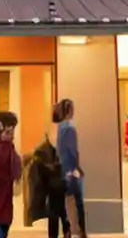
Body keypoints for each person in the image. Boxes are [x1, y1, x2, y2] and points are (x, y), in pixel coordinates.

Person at [24, 134, 68, 238]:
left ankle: (64, 232)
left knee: (57, 213)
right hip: (56, 187)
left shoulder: (45, 152)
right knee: (59, 213)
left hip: (55, 186)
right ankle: (65, 232)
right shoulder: (46, 152)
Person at [54, 99, 86, 238]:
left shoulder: (59, 128)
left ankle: (66, 230)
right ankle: (81, 231)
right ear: (69, 111)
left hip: (62, 168)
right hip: (71, 169)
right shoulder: (70, 129)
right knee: (78, 202)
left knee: (63, 203)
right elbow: (73, 151)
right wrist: (78, 168)